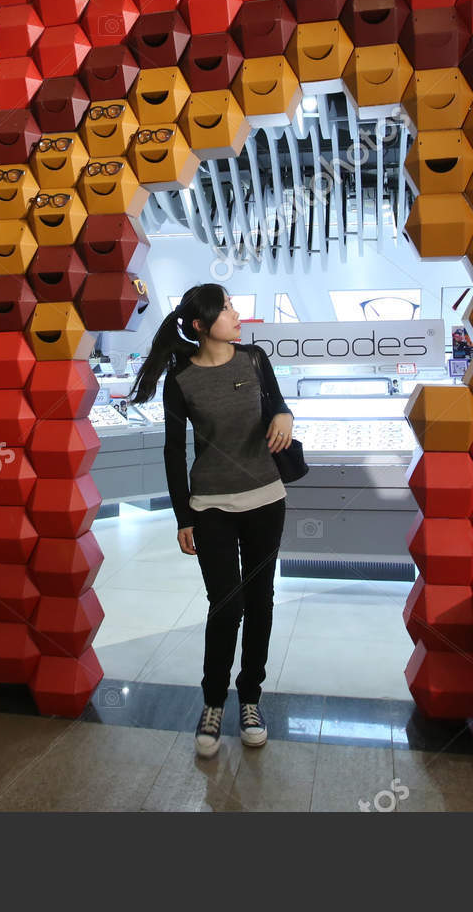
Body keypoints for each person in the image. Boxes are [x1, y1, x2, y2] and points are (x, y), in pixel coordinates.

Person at [129, 283, 295, 759]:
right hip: (211, 507)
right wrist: (183, 516)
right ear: (201, 326)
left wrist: (285, 416)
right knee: (226, 605)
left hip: (266, 498)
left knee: (260, 600)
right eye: (226, 309)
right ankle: (212, 703)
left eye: (232, 304)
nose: (237, 312)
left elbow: (279, 407)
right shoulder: (180, 380)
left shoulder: (255, 359)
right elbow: (173, 449)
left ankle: (250, 699)